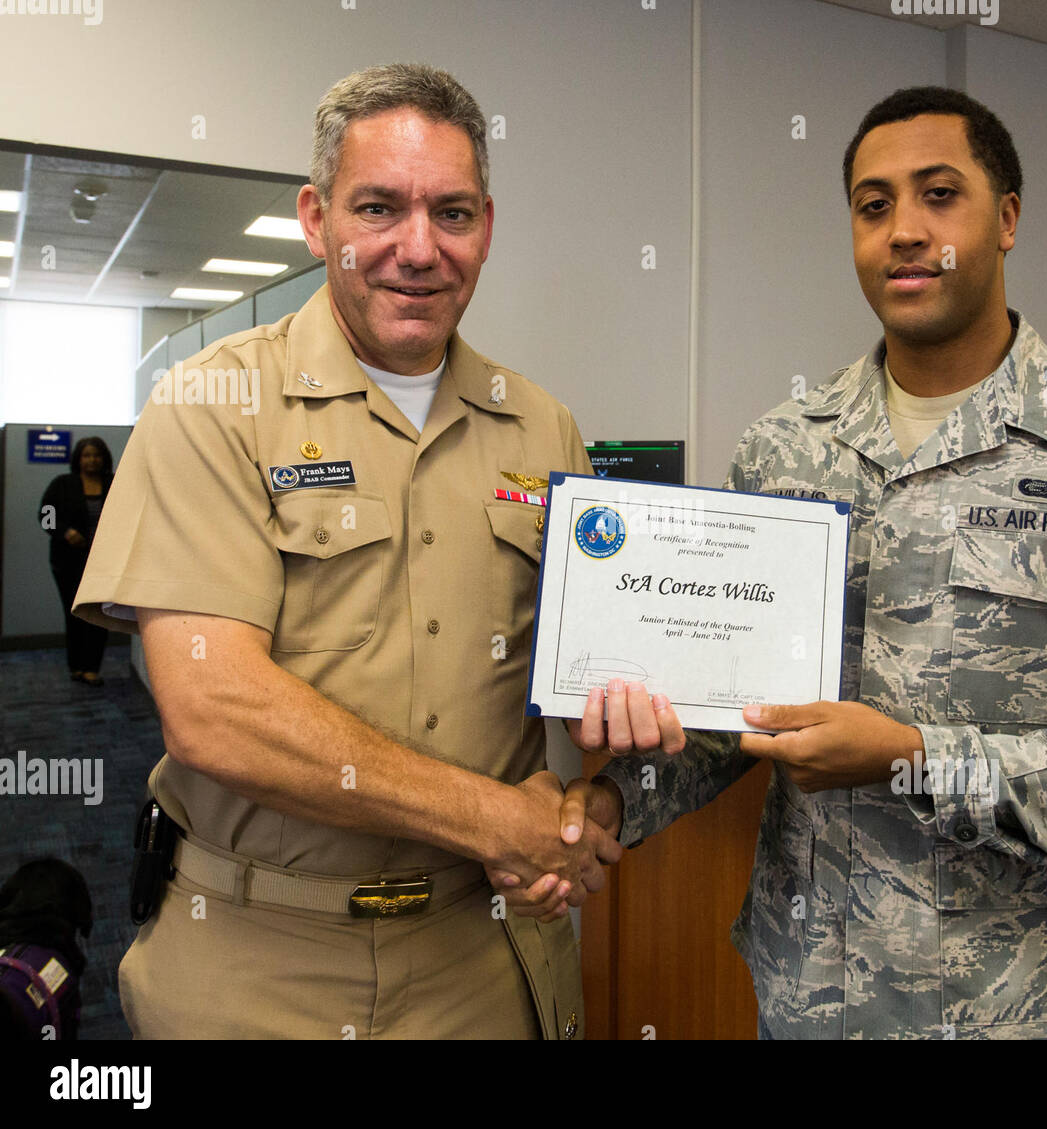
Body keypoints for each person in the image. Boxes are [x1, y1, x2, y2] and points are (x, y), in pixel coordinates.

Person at [493, 86, 1047, 1039]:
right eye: (874, 206)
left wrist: (918, 760)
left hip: (1044, 1009)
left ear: (1009, 219)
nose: (905, 230)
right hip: (820, 999)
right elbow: (734, 719)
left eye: (939, 194)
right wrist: (609, 802)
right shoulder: (785, 450)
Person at [72, 63, 619, 1039]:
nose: (419, 248)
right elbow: (216, 709)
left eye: (451, 214)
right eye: (379, 208)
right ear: (317, 220)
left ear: (485, 227)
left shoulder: (543, 429)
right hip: (263, 959)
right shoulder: (213, 404)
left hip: (481, 958)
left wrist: (593, 805)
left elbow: (590, 686)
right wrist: (496, 817)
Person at [40, 436, 113, 686]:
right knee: (73, 614)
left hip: (103, 563)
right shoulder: (62, 484)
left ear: (104, 458)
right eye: (86, 455)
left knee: (98, 614)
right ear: (78, 459)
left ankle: (92, 668)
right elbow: (45, 515)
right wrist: (63, 532)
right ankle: (76, 667)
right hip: (67, 562)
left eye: (96, 455)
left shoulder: (114, 484)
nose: (92, 460)